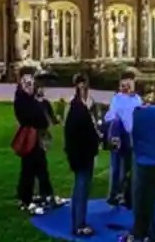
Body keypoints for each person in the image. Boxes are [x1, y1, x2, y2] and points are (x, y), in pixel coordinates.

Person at [126, 96, 155, 242]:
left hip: (143, 162)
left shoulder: (137, 113)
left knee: (142, 199)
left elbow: (133, 137)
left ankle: (141, 232)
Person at [12, 68, 56, 215]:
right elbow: (32, 118)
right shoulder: (21, 99)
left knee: (41, 167)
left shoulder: (33, 98)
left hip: (37, 137)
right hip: (30, 137)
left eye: (31, 82)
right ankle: (25, 199)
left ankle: (47, 194)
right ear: (21, 83)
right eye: (26, 83)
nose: (29, 86)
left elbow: (43, 115)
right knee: (28, 169)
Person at [65, 73, 102, 237]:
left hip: (80, 154)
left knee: (82, 187)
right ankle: (79, 225)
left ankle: (79, 222)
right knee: (81, 188)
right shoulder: (79, 110)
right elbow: (86, 134)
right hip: (82, 156)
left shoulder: (76, 107)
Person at [104, 69, 141, 207]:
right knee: (116, 167)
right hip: (120, 135)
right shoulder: (117, 99)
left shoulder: (136, 99)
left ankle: (126, 195)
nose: (128, 86)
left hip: (132, 136)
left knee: (129, 168)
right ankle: (114, 194)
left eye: (130, 82)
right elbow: (111, 116)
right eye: (125, 83)